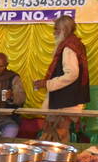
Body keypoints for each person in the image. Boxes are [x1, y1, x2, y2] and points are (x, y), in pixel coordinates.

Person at [34, 13, 89, 142]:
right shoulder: (74, 43)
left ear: (64, 30)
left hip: (65, 100)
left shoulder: (69, 47)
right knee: (55, 132)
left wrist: (47, 84)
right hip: (67, 97)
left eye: (56, 30)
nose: (54, 33)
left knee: (57, 132)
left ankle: (55, 159)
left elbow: (72, 74)